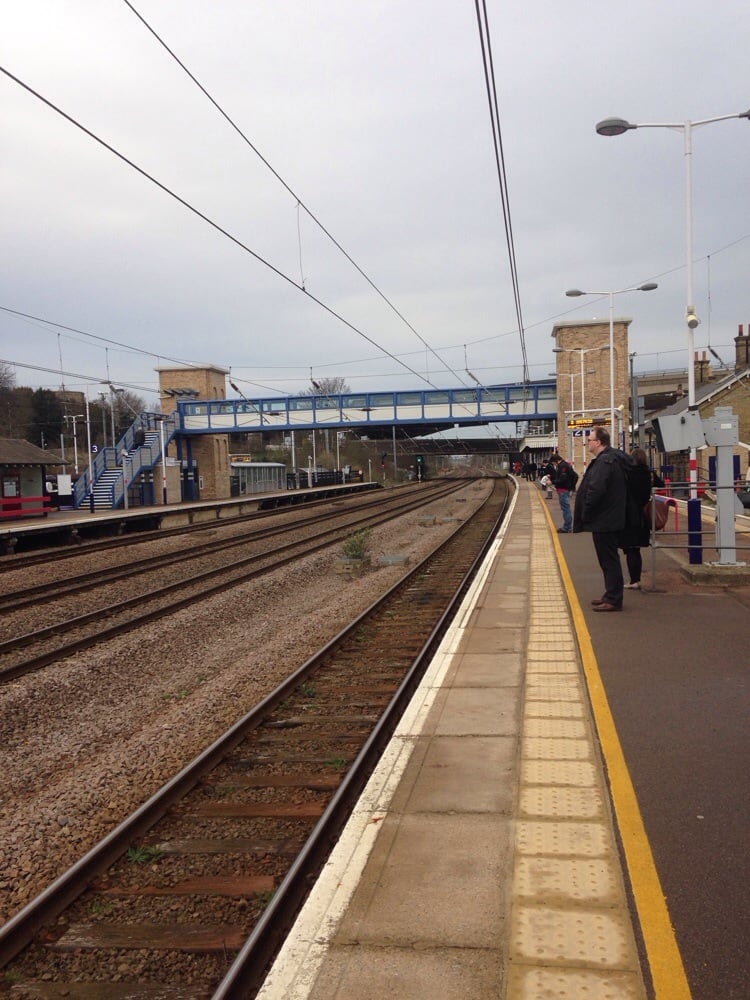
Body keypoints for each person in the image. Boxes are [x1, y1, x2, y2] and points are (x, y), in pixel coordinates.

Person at [573, 427, 628, 612]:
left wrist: (586, 512)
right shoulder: (609, 459)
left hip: (605, 520)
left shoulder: (605, 462)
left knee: (608, 561)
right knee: (608, 560)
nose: (587, 443)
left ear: (598, 443)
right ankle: (610, 594)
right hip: (609, 518)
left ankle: (613, 599)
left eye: (589, 440)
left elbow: (596, 490)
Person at [619, 447, 652, 590]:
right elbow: (660, 483)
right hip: (643, 516)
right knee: (636, 549)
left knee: (630, 549)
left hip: (629, 515)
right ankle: (636, 579)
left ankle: (634, 580)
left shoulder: (628, 473)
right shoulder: (648, 473)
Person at [549, 452, 575, 533]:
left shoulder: (563, 466)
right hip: (564, 489)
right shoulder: (565, 465)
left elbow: (562, 479)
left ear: (556, 461)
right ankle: (567, 526)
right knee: (565, 508)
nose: (554, 465)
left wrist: (552, 482)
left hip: (563, 490)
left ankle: (567, 527)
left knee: (565, 509)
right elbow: (575, 476)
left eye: (553, 463)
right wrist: (571, 487)